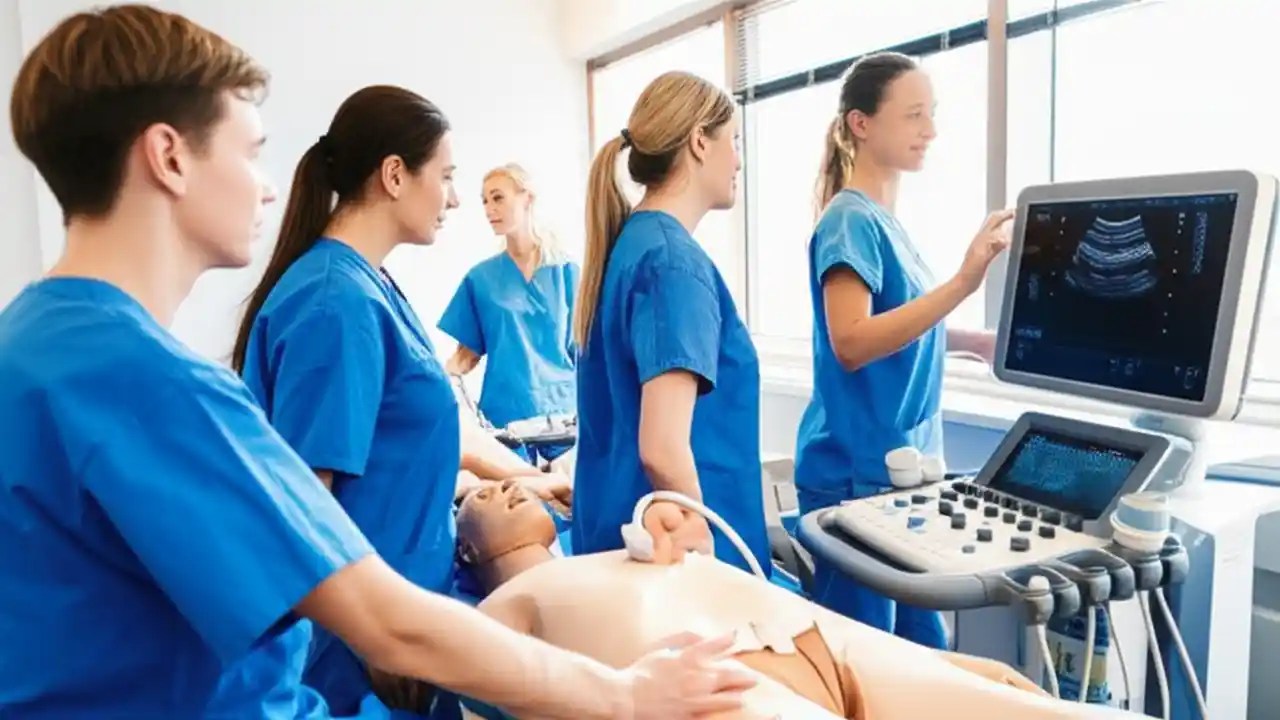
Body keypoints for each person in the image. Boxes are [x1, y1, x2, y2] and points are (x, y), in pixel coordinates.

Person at [0, 6, 756, 719]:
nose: (268, 187)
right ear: (169, 156)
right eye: (250, 153)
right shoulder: (154, 382)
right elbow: (379, 618)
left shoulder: (38, 342)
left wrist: (519, 481)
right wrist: (625, 697)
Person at [394, 482, 1138, 720]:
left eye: (509, 482)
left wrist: (675, 526)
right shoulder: (507, 605)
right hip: (709, 678)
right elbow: (413, 660)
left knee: (1024, 700)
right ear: (469, 555)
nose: (501, 487)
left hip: (807, 632)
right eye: (482, 499)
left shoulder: (619, 543)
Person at [794, 51, 1013, 649]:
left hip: (904, 476)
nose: (931, 131)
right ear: (861, 124)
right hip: (856, 475)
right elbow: (852, 342)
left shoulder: (886, 222)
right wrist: (965, 283)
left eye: (932, 114)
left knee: (924, 653)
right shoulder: (849, 221)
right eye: (914, 115)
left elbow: (898, 324)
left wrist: (973, 343)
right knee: (866, 662)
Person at [571, 71, 770, 578]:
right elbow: (662, 447)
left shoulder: (632, 245)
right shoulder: (673, 263)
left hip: (620, 545)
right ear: (700, 141)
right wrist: (703, 549)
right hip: (674, 559)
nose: (740, 160)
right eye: (735, 142)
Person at [439, 164, 579, 466]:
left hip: (564, 420)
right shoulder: (481, 279)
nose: (489, 209)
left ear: (527, 198)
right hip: (506, 423)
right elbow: (465, 356)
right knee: (520, 504)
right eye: (484, 201)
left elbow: (586, 350)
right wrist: (435, 382)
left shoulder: (567, 272)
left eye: (498, 198)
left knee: (572, 501)